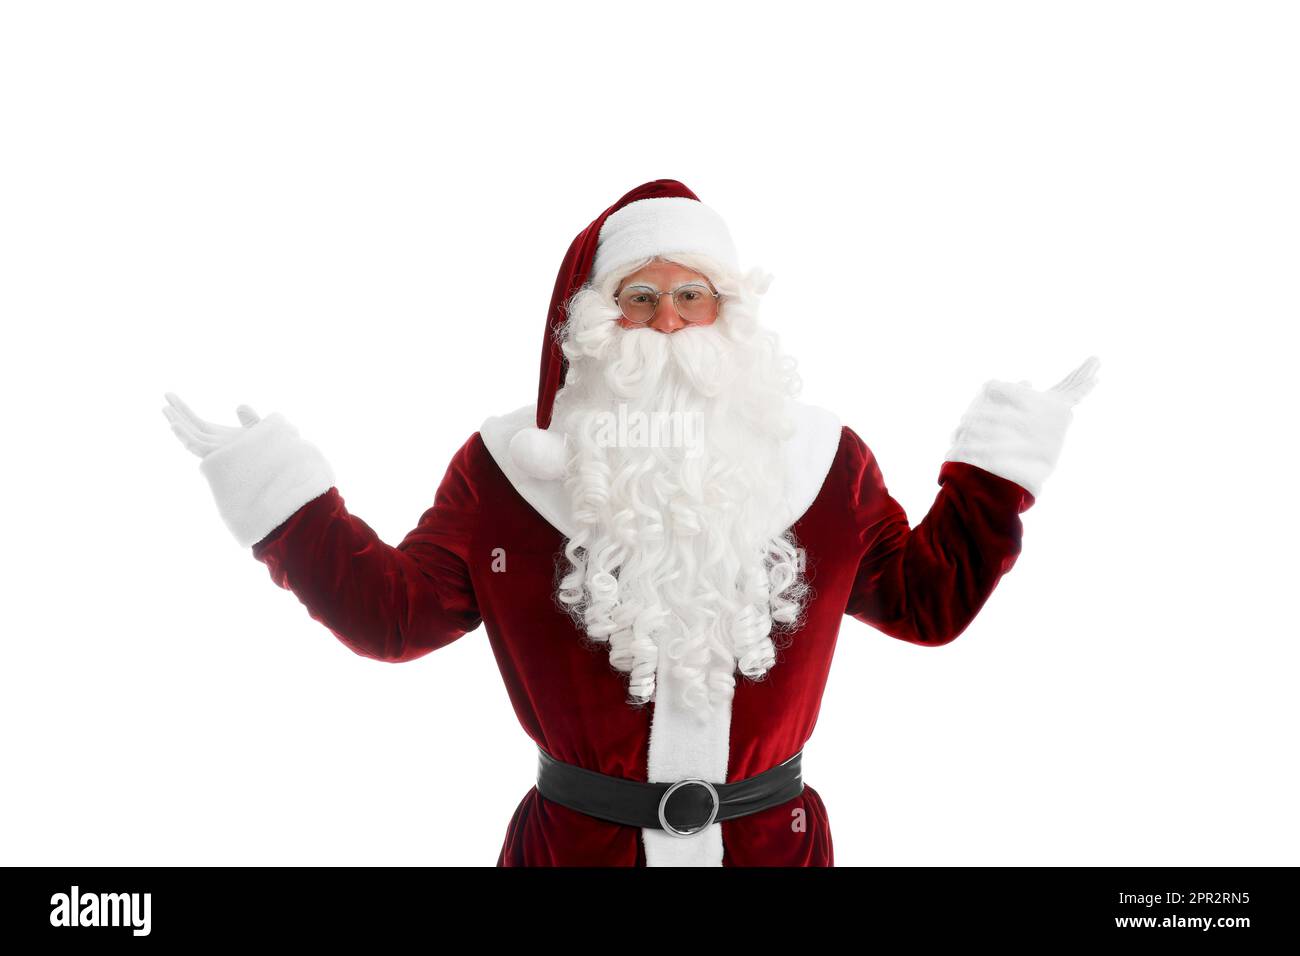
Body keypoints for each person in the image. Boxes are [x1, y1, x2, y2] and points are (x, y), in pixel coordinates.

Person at [162, 178, 1099, 866]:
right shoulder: (507, 471)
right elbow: (393, 619)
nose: (666, 327)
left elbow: (927, 604)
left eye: (693, 297)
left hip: (776, 850)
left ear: (730, 317)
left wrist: (998, 466)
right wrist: (276, 491)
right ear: (595, 323)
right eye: (638, 299)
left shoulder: (824, 461)